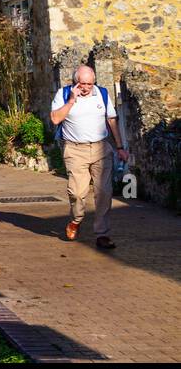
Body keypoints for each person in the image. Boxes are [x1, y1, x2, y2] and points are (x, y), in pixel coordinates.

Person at [50, 65, 129, 250]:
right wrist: (71, 101)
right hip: (75, 150)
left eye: (89, 83)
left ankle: (102, 234)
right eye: (82, 83)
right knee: (77, 193)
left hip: (101, 148)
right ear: (75, 81)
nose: (86, 87)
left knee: (104, 193)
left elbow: (112, 120)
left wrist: (119, 147)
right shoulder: (63, 94)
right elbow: (55, 119)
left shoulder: (101, 93)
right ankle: (76, 220)